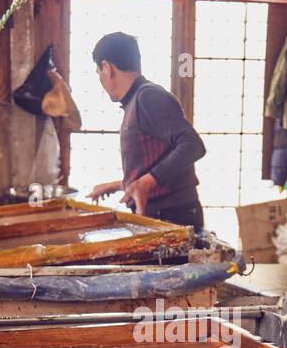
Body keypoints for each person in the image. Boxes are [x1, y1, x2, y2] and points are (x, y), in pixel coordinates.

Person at [86, 32, 207, 230]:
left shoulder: (148, 97)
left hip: (172, 214)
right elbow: (156, 164)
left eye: (98, 71)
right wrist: (121, 184)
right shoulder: (136, 100)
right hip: (162, 214)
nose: (100, 78)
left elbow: (193, 145)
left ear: (107, 68)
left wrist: (146, 183)